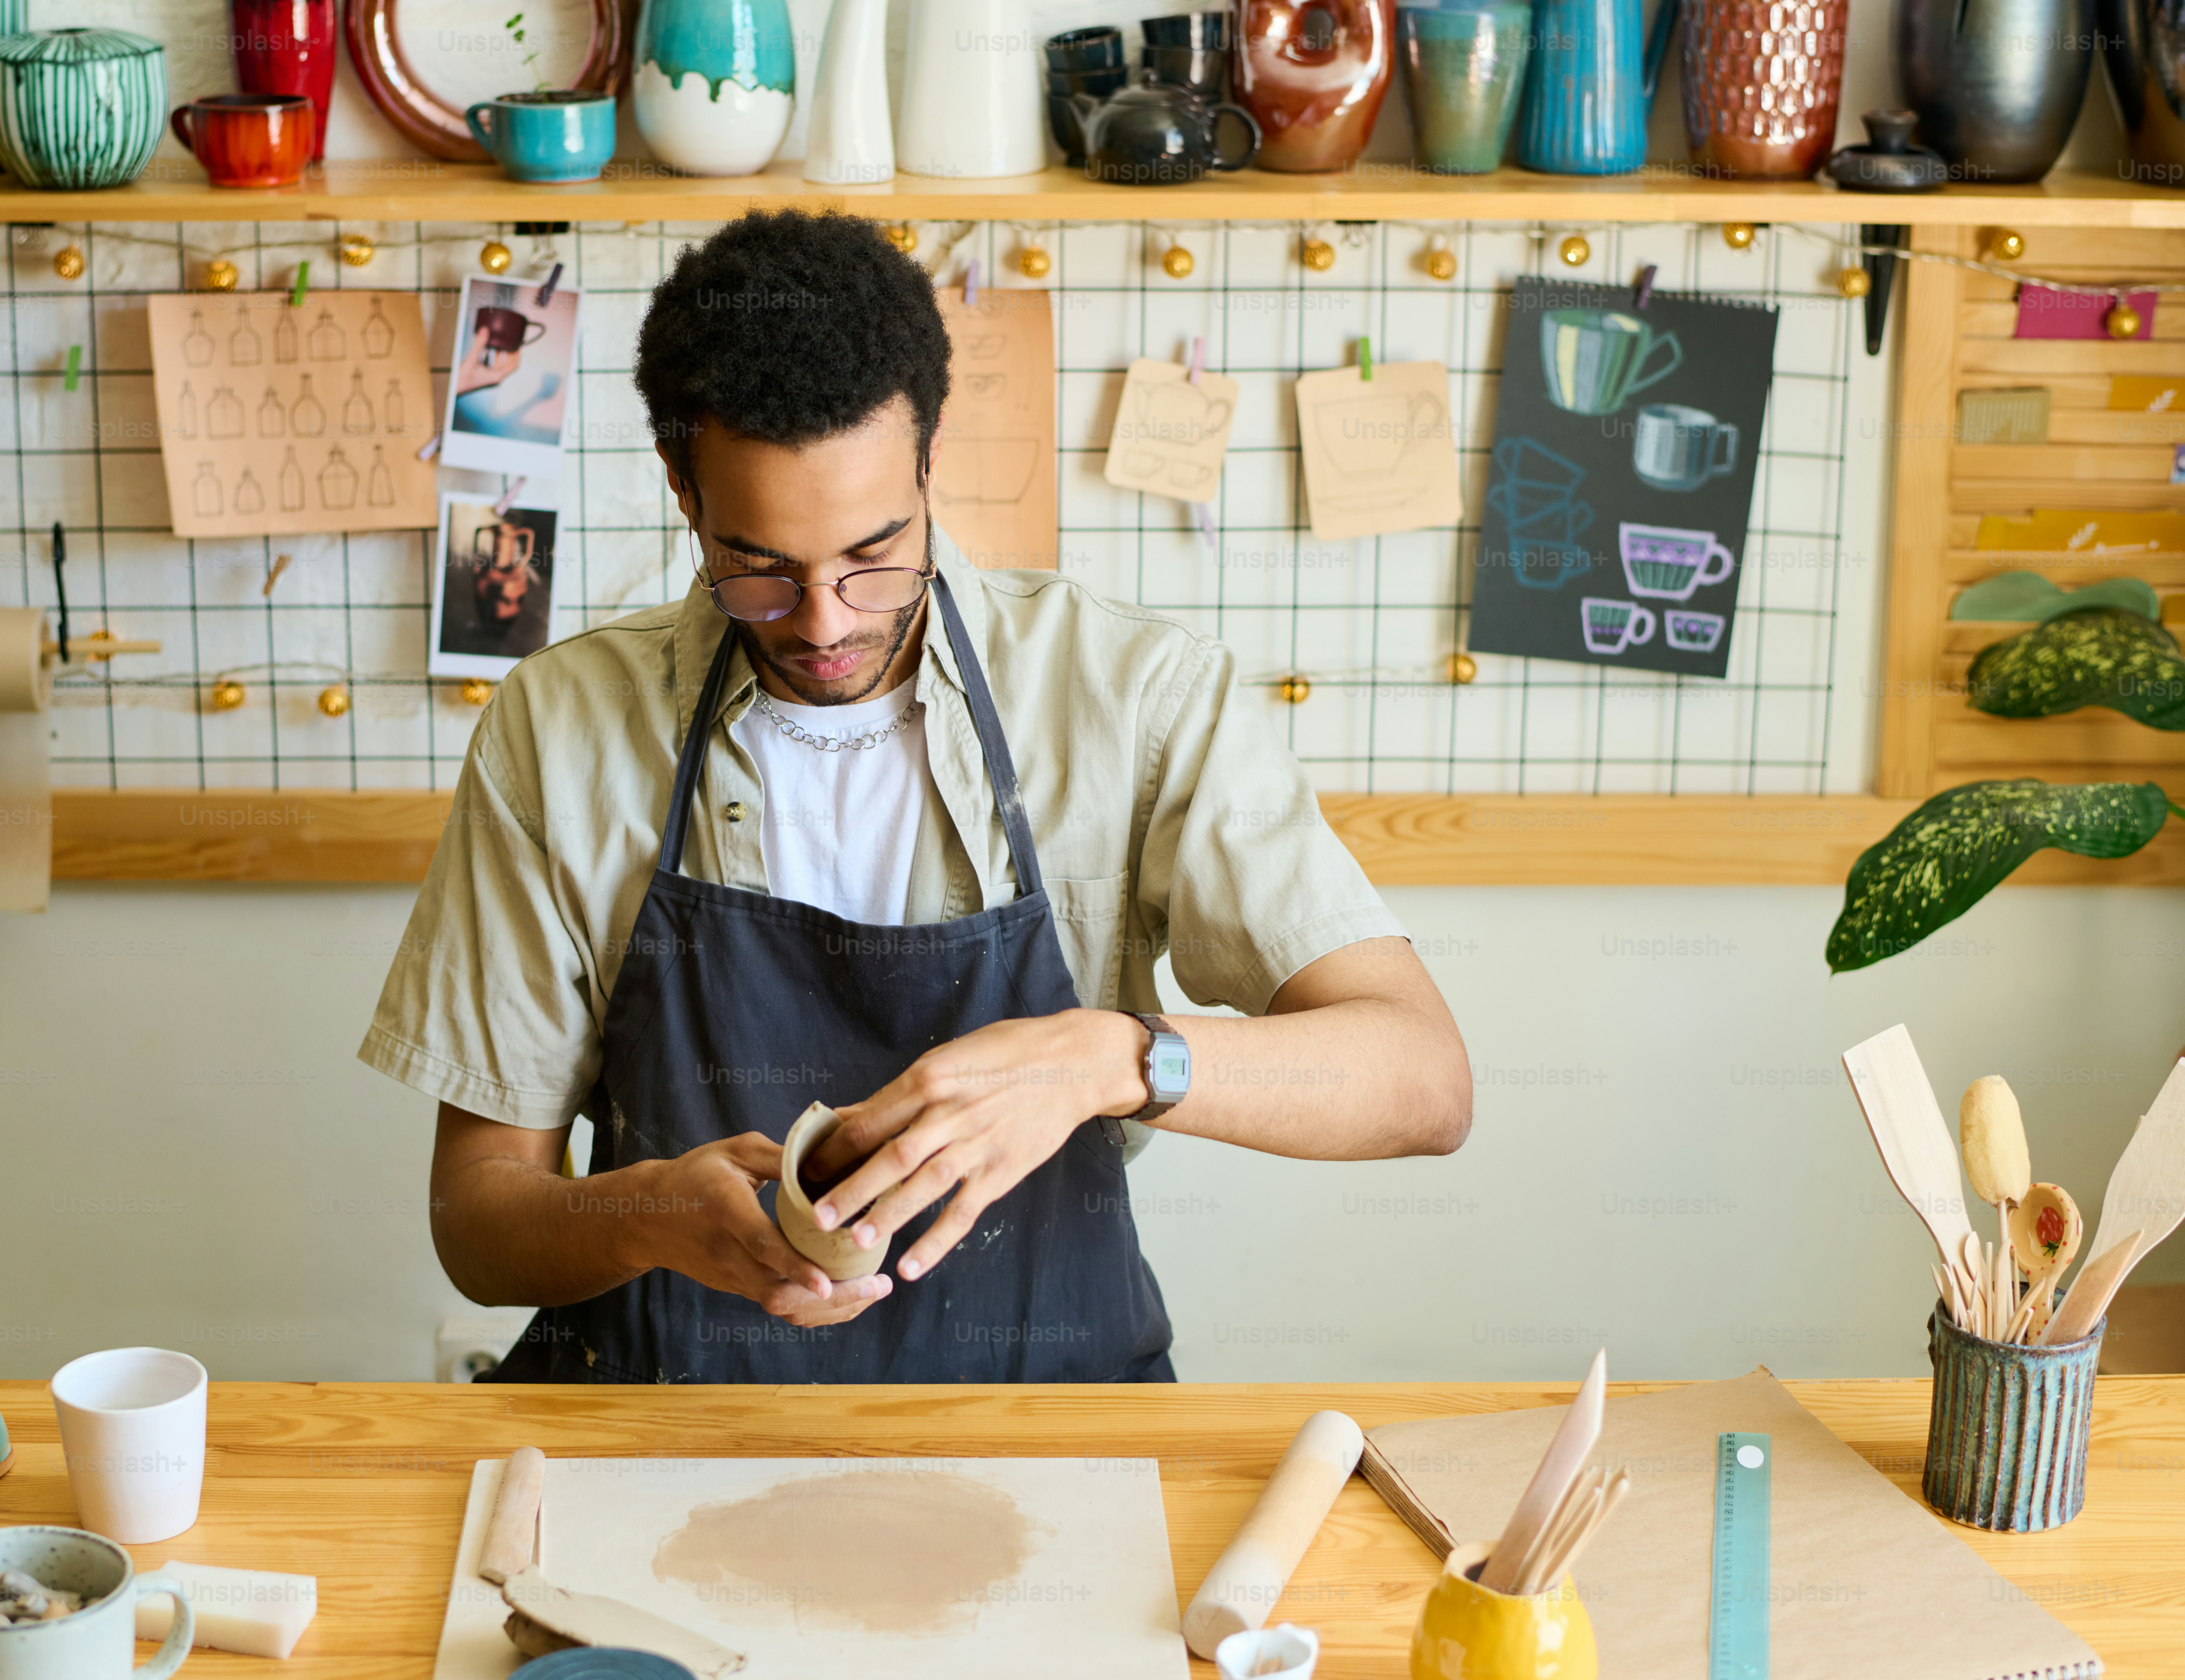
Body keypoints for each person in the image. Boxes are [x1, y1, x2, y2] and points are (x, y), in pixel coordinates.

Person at [360, 209, 1472, 1384]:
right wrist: (641, 1215)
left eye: (875, 555)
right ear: (684, 496)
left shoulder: (1133, 697)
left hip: (1044, 1424)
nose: (829, 620)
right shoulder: (561, 729)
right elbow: (477, 1223)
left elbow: (1424, 1081)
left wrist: (1114, 1059)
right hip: (666, 1432)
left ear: (930, 460)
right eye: (763, 572)